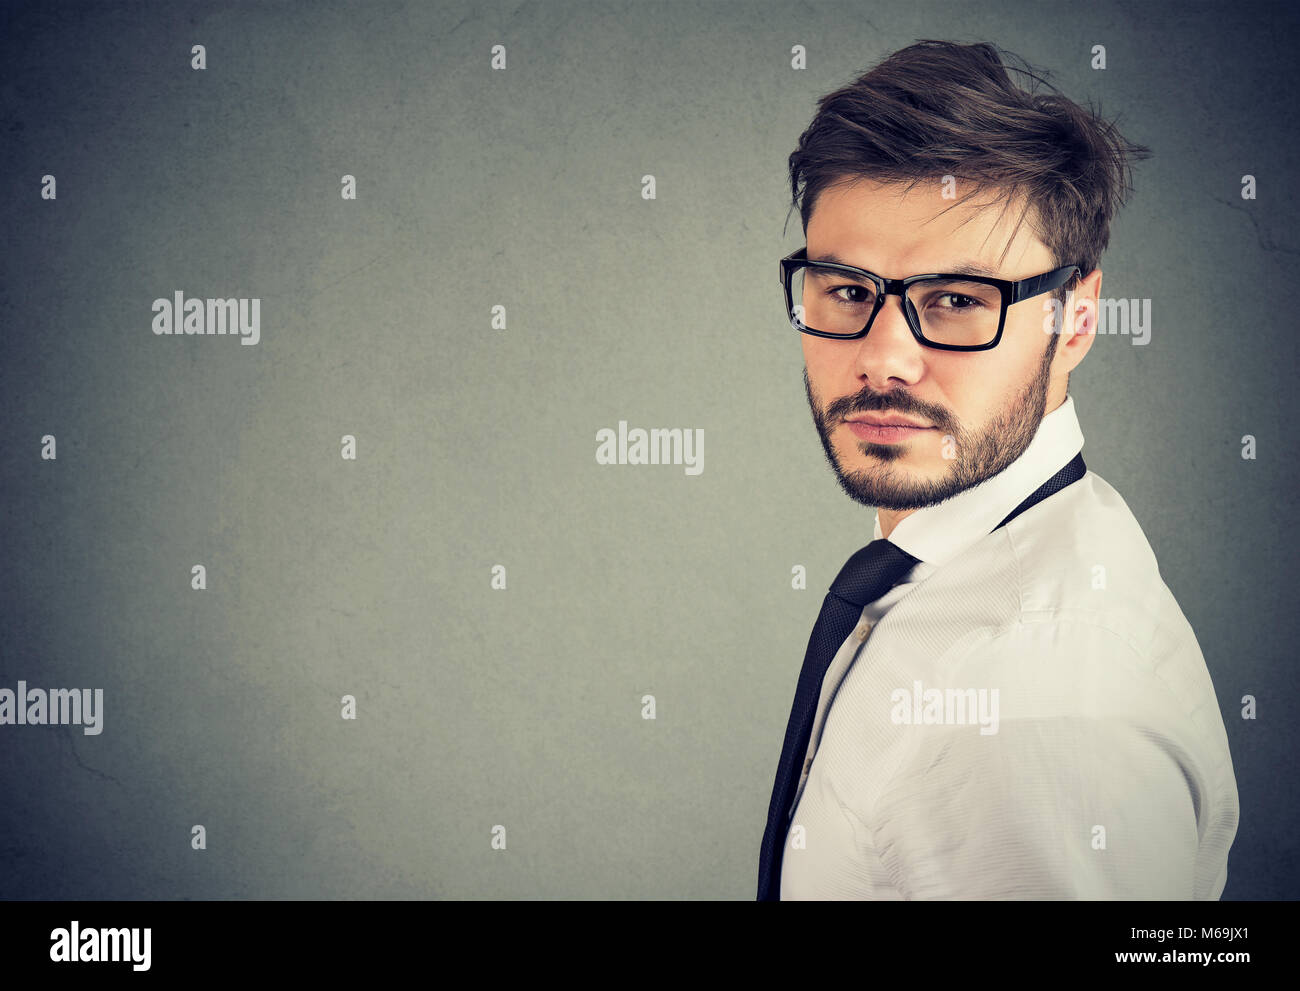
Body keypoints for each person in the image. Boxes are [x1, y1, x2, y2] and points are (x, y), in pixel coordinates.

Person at [756, 40, 1239, 900]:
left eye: (956, 300)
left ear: (1078, 320)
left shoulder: (1039, 710)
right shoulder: (968, 564)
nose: (884, 359)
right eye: (848, 290)